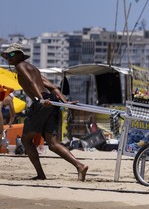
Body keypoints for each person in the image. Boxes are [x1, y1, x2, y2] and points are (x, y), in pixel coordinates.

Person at [1, 43, 88, 181]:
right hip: (49, 101)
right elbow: (53, 87)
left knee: (26, 139)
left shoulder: (20, 66)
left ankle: (41, 174)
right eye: (7, 56)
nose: (9, 58)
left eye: (12, 54)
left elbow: (31, 83)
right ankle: (80, 166)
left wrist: (40, 99)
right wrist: (65, 103)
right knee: (52, 143)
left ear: (20, 55)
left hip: (42, 102)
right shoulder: (33, 69)